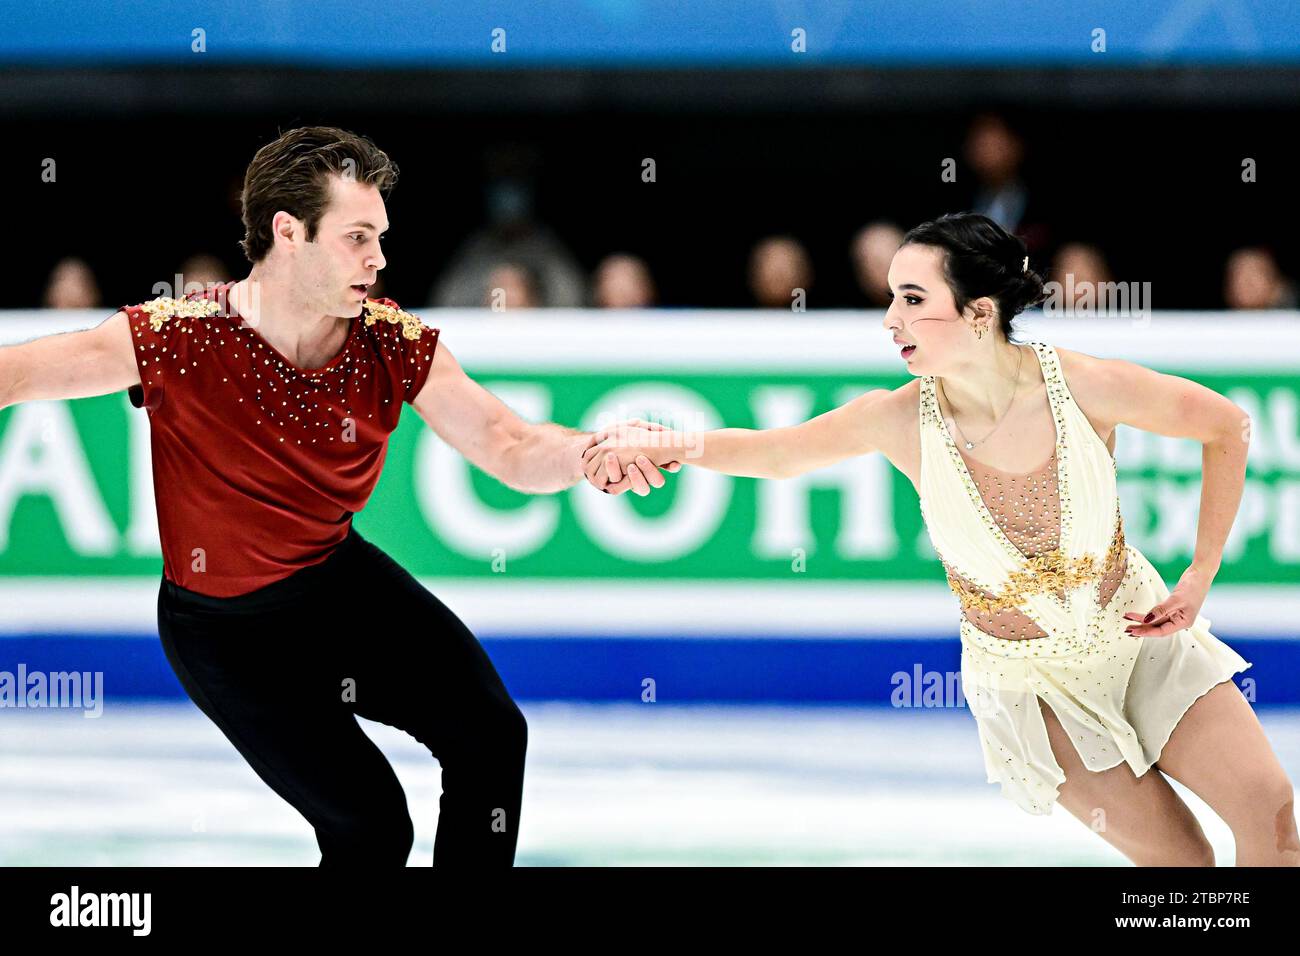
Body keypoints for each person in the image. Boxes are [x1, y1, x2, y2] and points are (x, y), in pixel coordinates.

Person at [0, 126, 678, 867]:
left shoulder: (391, 342)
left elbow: (509, 445)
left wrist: (587, 453)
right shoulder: (182, 339)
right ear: (289, 233)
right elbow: (18, 375)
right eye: (358, 237)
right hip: (224, 633)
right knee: (372, 826)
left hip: (333, 585)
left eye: (380, 236)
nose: (379, 258)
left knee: (489, 734)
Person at [585, 211, 1299, 866]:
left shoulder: (1084, 386)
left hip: (1140, 639)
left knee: (1272, 822)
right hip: (1032, 691)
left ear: (980, 312)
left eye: (914, 299)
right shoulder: (899, 419)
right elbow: (778, 454)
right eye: (893, 298)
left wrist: (1200, 575)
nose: (892, 319)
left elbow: (1225, 426)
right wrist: (669, 441)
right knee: (1186, 866)